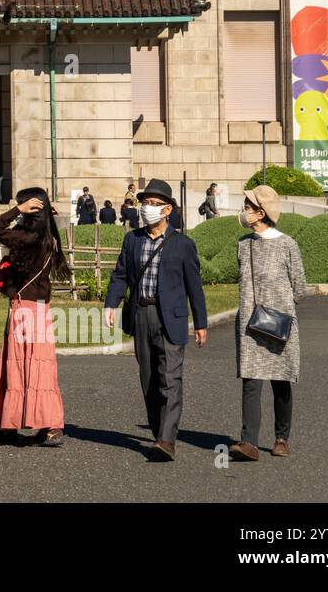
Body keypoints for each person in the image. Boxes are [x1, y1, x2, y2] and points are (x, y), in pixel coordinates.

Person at [103, 178, 208, 461]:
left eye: (153, 204)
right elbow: (121, 275)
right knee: (149, 378)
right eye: (144, 203)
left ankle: (167, 439)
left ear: (167, 210)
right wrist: (110, 304)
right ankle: (158, 429)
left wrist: (201, 322)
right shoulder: (132, 239)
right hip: (141, 314)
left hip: (171, 317)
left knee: (170, 378)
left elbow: (194, 286)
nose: (147, 208)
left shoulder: (183, 244)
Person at [0, 188, 67, 445]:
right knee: (39, 367)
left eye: (23, 205)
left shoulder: (28, 238)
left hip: (23, 308)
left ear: (31, 209)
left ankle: (10, 422)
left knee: (16, 365)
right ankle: (48, 424)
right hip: (40, 309)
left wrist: (18, 211)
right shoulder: (49, 237)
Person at [228, 186, 306, 461]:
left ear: (260, 213)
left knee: (280, 380)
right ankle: (248, 441)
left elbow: (300, 287)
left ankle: (281, 438)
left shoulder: (287, 245)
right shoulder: (243, 244)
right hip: (249, 323)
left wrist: (278, 308)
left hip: (280, 324)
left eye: (247, 206)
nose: (243, 211)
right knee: (250, 379)